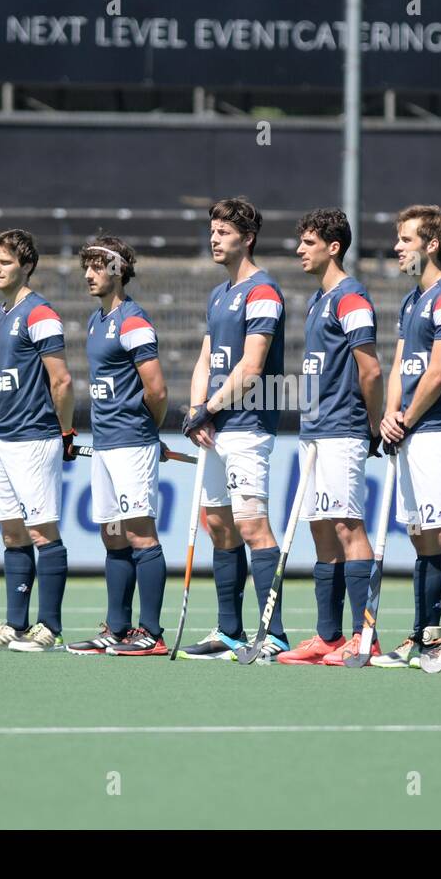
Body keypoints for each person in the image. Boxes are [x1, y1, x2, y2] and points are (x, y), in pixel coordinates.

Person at [178, 198, 290, 661]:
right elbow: (206, 359)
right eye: (212, 231)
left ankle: (274, 634)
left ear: (247, 238)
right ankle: (229, 632)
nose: (214, 239)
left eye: (223, 232)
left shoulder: (263, 291)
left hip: (247, 424)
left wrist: (208, 408)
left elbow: (251, 367)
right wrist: (196, 410)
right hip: (214, 426)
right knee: (219, 527)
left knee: (252, 526)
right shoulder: (219, 294)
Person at [276, 209, 384, 666]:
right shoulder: (318, 299)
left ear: (333, 247)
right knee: (320, 530)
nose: (300, 250)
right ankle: (329, 637)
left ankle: (365, 637)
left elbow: (370, 369)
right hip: (315, 431)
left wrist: (374, 427)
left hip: (343, 429)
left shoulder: (351, 297)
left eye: (309, 242)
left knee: (347, 526)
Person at [378, 204, 441, 671]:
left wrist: (406, 418)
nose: (397, 247)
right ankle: (425, 635)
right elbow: (400, 366)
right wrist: (389, 414)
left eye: (406, 239)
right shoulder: (411, 300)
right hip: (411, 430)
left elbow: (438, 374)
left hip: (440, 431)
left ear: (431, 244)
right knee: (421, 537)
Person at [70, 236, 172, 656]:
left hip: (131, 442)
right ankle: (117, 628)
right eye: (86, 267)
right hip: (105, 442)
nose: (88, 274)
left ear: (118, 270)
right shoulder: (96, 321)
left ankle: (151, 633)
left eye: (97, 266)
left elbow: (157, 390)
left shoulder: (133, 321)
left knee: (140, 534)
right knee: (112, 535)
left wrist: (147, 431)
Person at [0, 229, 73, 653]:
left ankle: (49, 627)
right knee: (11, 533)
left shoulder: (40, 314)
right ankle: (15, 624)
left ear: (27, 266)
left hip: (34, 436)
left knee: (41, 531)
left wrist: (65, 431)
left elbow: (61, 380)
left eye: (5, 262)